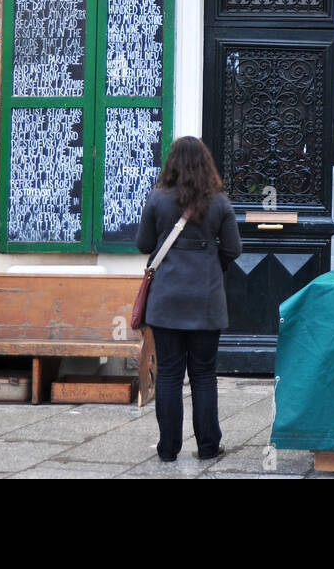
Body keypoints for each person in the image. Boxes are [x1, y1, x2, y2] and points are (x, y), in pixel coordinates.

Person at [137, 136, 241, 463]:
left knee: (169, 373)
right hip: (206, 301)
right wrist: (211, 261)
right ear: (206, 164)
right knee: (203, 374)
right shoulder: (219, 203)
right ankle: (208, 446)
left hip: (166, 300)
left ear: (172, 163)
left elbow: (143, 244)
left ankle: (168, 449)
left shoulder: (157, 199)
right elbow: (234, 248)